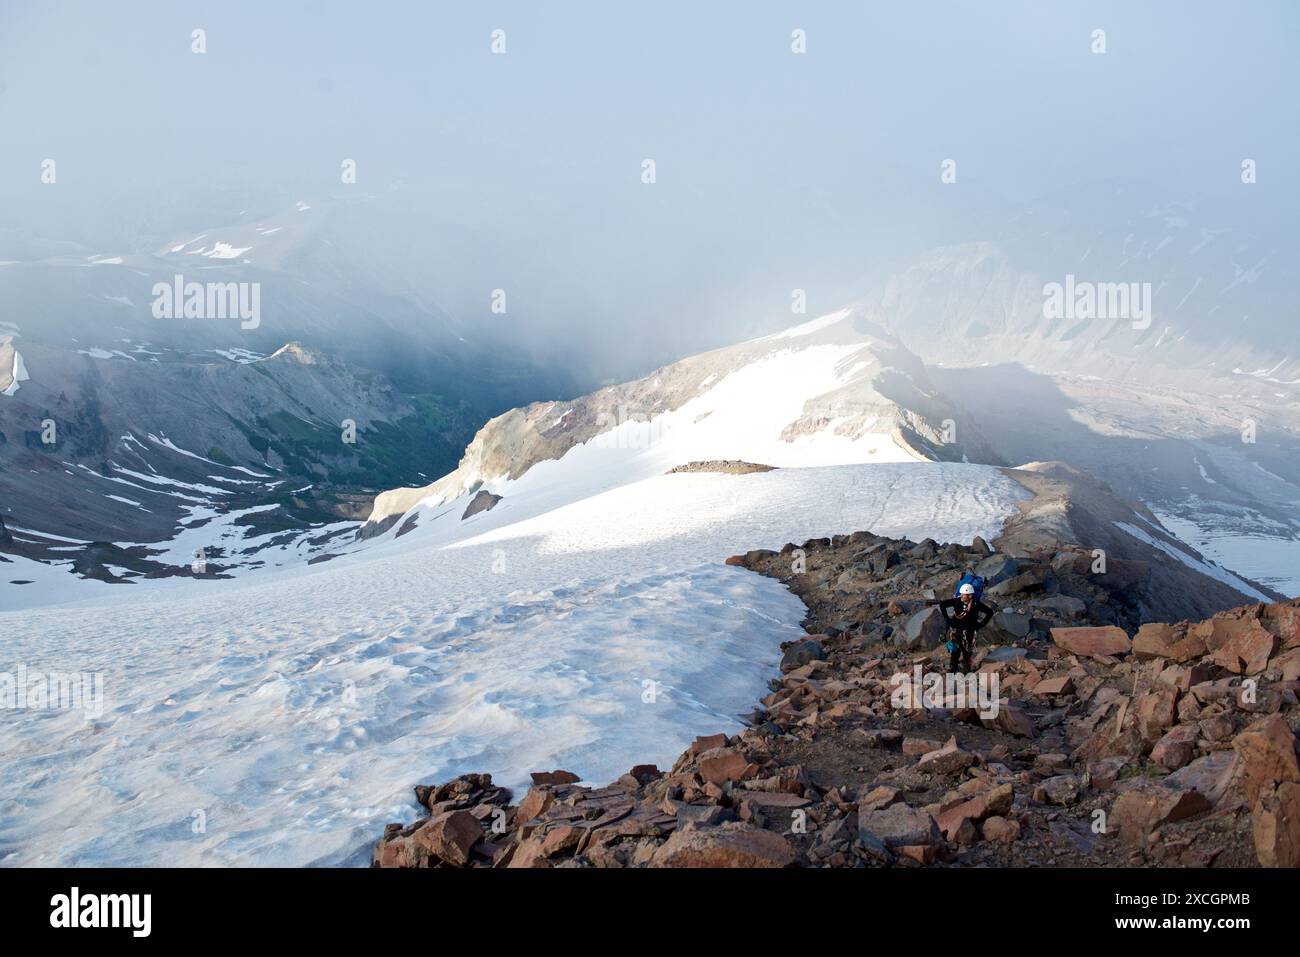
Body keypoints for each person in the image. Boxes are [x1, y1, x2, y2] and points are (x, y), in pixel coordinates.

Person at [939, 582, 994, 674]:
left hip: (969, 630)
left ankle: (966, 670)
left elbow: (989, 612)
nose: (965, 597)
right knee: (955, 651)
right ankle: (953, 669)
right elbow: (942, 605)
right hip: (956, 630)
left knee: (967, 651)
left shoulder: (976, 604)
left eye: (967, 595)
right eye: (964, 595)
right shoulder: (956, 601)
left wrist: (981, 624)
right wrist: (947, 619)